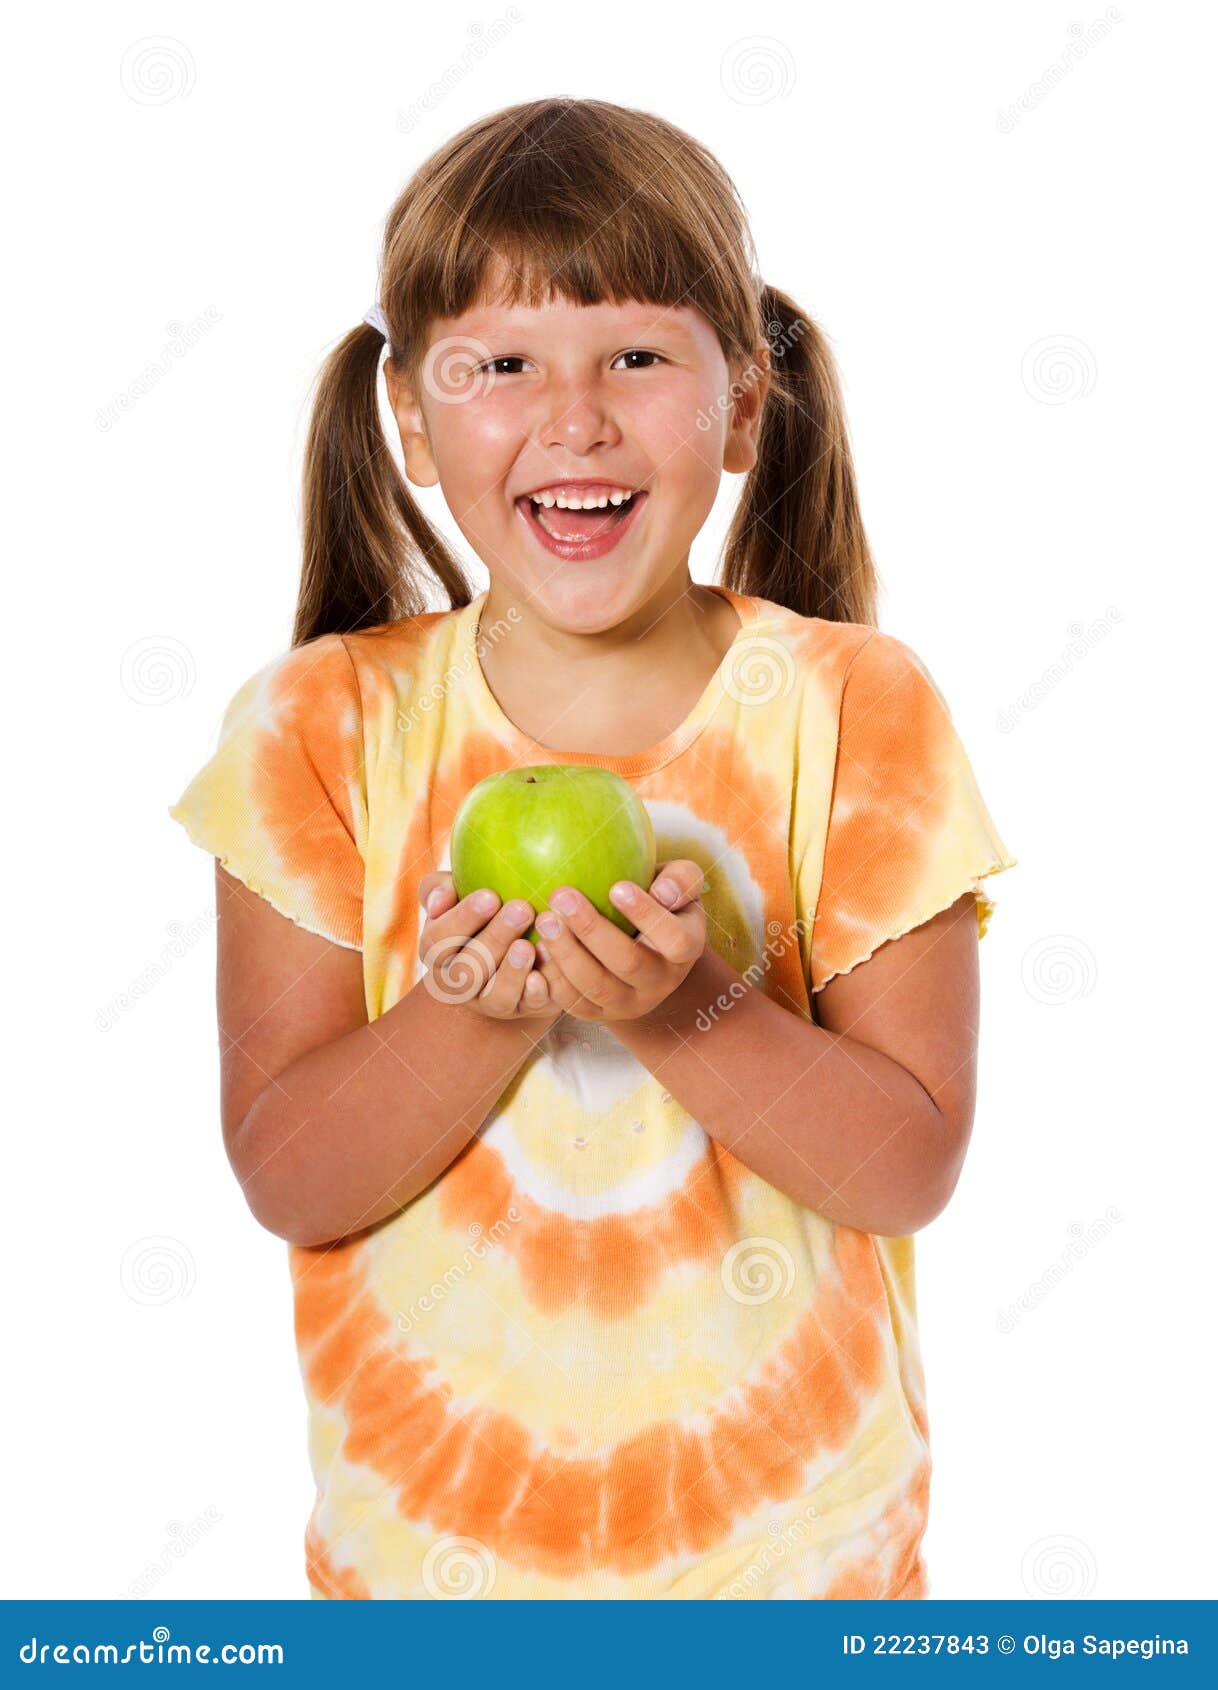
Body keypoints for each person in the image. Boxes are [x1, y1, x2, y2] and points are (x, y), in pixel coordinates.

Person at [168, 96, 1017, 1601]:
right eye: (500, 365)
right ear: (413, 421)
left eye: (634, 355)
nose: (574, 418)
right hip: (427, 1591)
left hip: (797, 1587)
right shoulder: (323, 725)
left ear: (742, 405)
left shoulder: (853, 708)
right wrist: (470, 1013)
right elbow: (291, 1176)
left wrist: (684, 1009)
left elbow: (906, 1167)